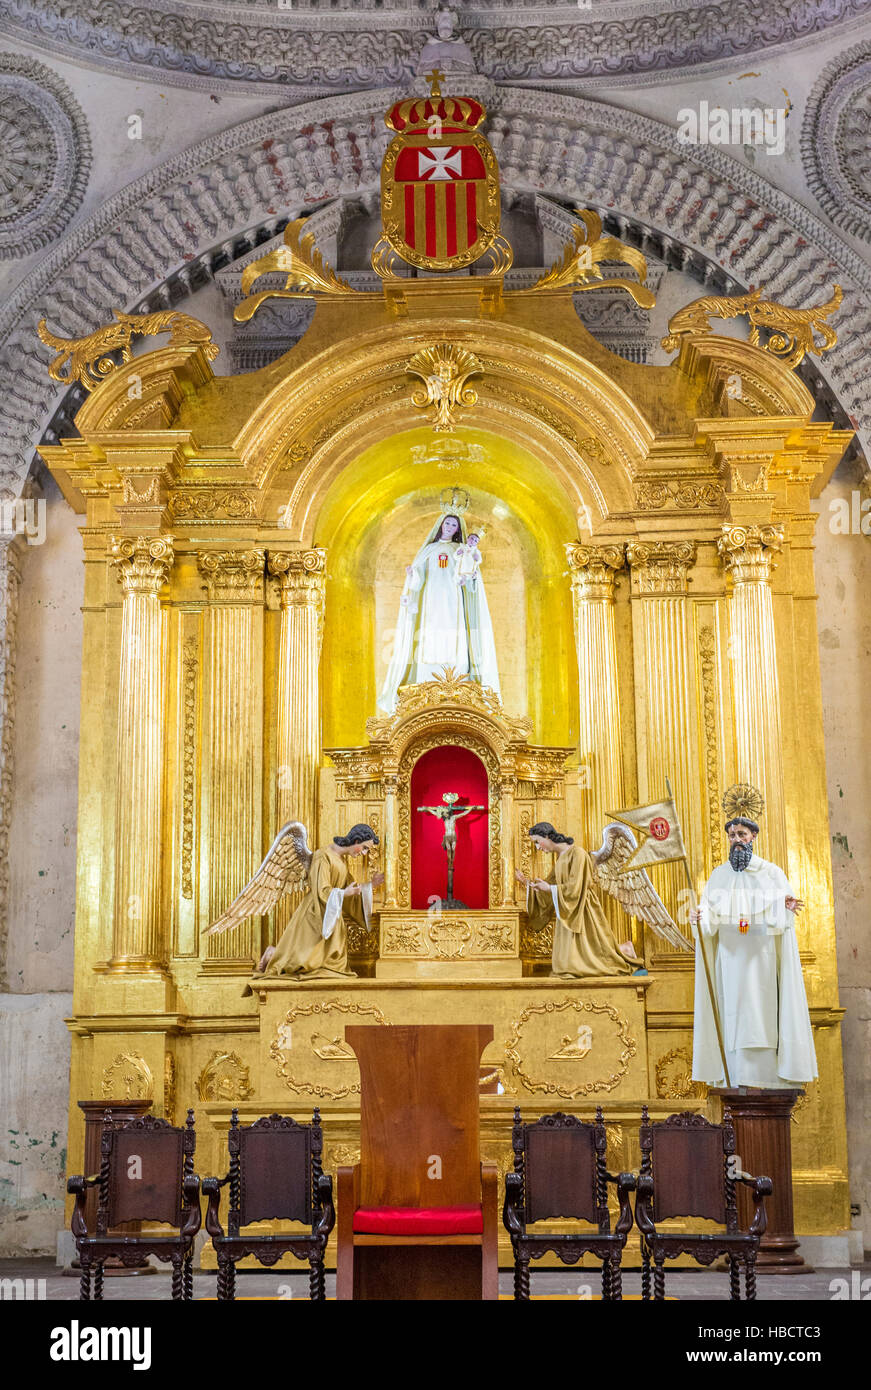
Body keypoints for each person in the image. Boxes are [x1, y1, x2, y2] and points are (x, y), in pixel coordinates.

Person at [690, 815, 817, 1087]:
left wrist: (782, 907)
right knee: (731, 1014)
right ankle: (733, 1075)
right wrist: (700, 917)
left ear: (753, 837)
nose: (736, 840)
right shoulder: (718, 876)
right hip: (730, 958)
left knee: (762, 1012)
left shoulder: (771, 873)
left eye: (742, 834)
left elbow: (782, 915)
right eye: (732, 835)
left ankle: (769, 1074)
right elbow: (709, 918)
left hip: (761, 959)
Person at [377, 511, 500, 712]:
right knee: (430, 633)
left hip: (453, 599)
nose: (450, 527)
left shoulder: (460, 549)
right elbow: (419, 575)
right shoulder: (430, 550)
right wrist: (412, 575)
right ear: (441, 525)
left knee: (454, 633)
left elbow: (469, 574)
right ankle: (428, 677)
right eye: (447, 523)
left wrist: (468, 576)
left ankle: (456, 674)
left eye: (454, 525)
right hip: (430, 600)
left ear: (458, 529)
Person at [243, 824, 384, 989]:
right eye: (365, 848)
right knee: (306, 962)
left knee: (331, 967)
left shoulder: (341, 860)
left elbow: (349, 891)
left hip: (331, 915)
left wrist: (370, 886)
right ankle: (273, 953)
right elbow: (321, 890)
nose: (363, 853)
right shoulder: (322, 856)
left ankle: (276, 952)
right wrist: (344, 893)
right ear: (357, 840)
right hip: (316, 914)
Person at [516, 822, 635, 978]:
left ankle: (625, 950)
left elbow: (576, 887)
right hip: (567, 908)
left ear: (546, 836)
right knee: (565, 964)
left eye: (537, 841)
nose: (538, 847)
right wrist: (526, 882)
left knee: (580, 960)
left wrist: (550, 889)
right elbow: (549, 886)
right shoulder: (560, 858)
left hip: (581, 909)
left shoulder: (577, 853)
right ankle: (622, 949)